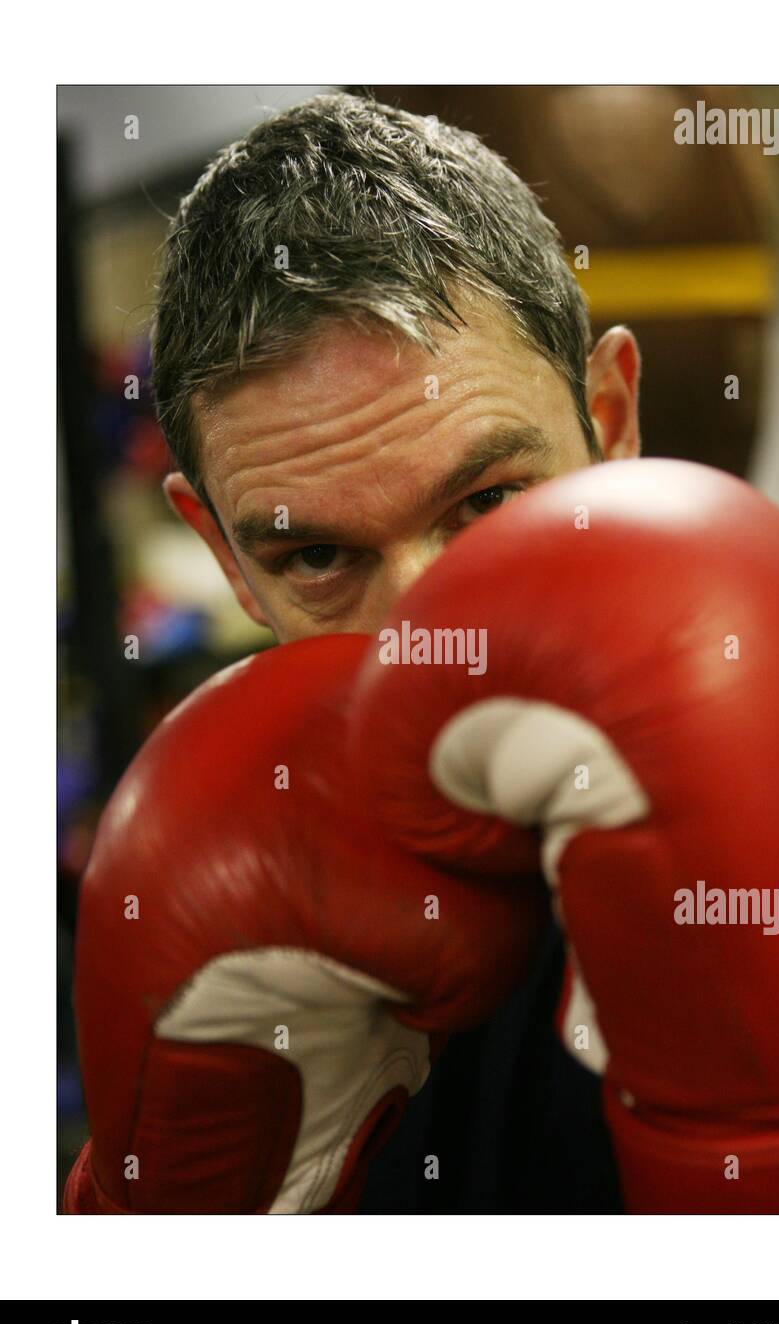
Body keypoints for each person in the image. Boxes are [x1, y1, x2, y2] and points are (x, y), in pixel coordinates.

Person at [146, 91, 636, 1212]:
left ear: (608, 423)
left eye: (487, 501)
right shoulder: (223, 921)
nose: (433, 643)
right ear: (224, 555)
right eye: (317, 554)